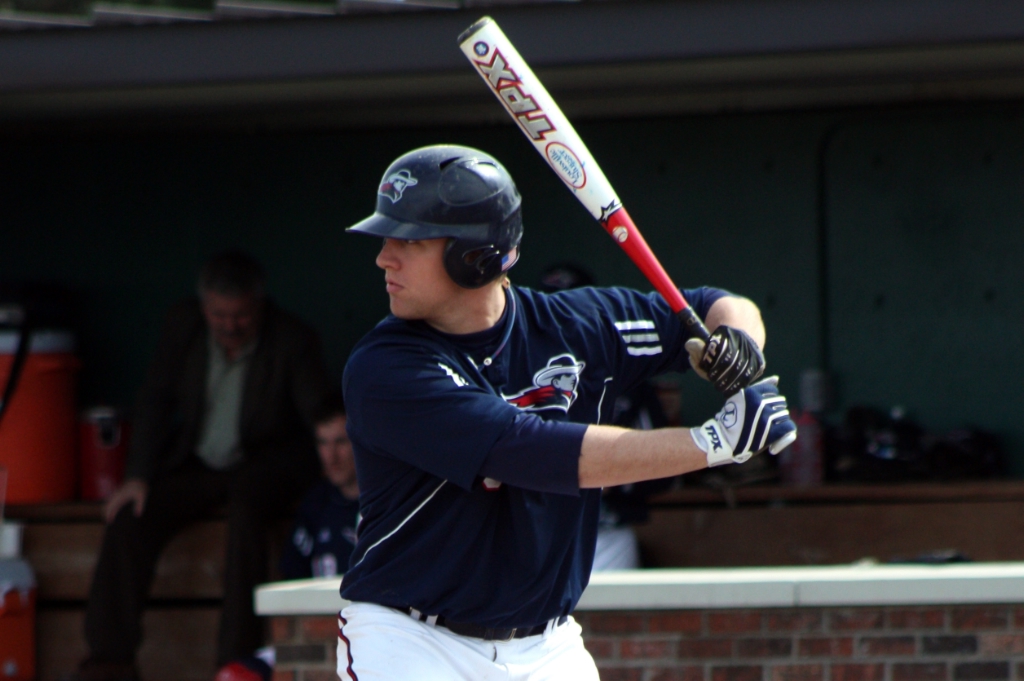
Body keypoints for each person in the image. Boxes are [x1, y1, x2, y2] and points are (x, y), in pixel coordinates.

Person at [337, 145, 796, 680]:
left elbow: (717, 303)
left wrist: (737, 344)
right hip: (412, 639)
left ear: (474, 254)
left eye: (408, 241)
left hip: (545, 643)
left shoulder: (577, 325)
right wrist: (714, 441)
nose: (384, 258)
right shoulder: (385, 368)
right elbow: (537, 452)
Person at [74, 251, 334, 681]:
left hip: (263, 464)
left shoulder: (291, 338)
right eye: (219, 315)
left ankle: (234, 663)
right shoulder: (184, 326)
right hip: (197, 462)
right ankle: (108, 661)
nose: (230, 326)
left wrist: (338, 467)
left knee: (247, 512)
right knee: (129, 516)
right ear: (203, 306)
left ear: (259, 305)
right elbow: (156, 400)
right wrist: (137, 476)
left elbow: (318, 413)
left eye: (241, 316)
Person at [280, 393, 360, 579]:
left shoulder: (387, 504)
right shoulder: (315, 505)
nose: (331, 456)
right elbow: (292, 581)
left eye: (341, 442)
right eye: (323, 443)